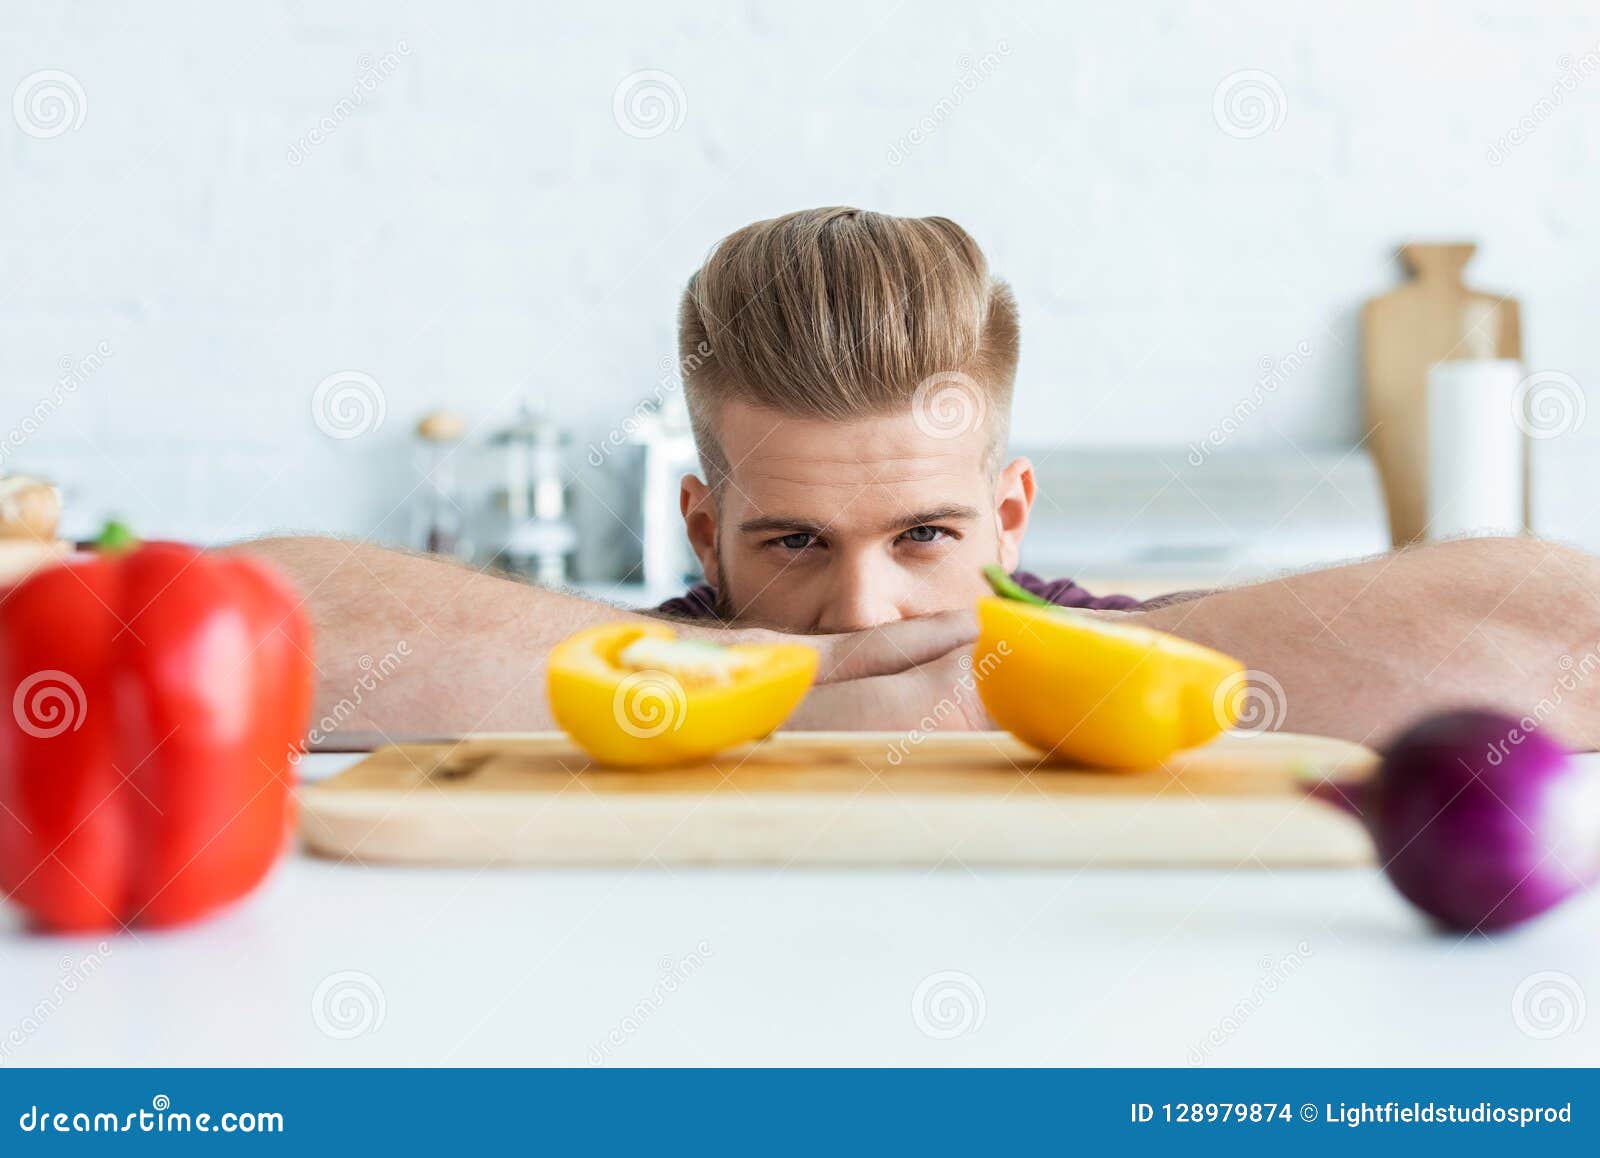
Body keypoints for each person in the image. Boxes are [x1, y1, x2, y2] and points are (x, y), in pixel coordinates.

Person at [238, 208, 1600, 752]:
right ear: (701, 530)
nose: (868, 608)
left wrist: (990, 680)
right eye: (794, 541)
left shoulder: (1099, 641)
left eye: (927, 533)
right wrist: (766, 696)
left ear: (1009, 514)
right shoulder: (630, 667)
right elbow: (250, 620)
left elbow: (1571, 637)